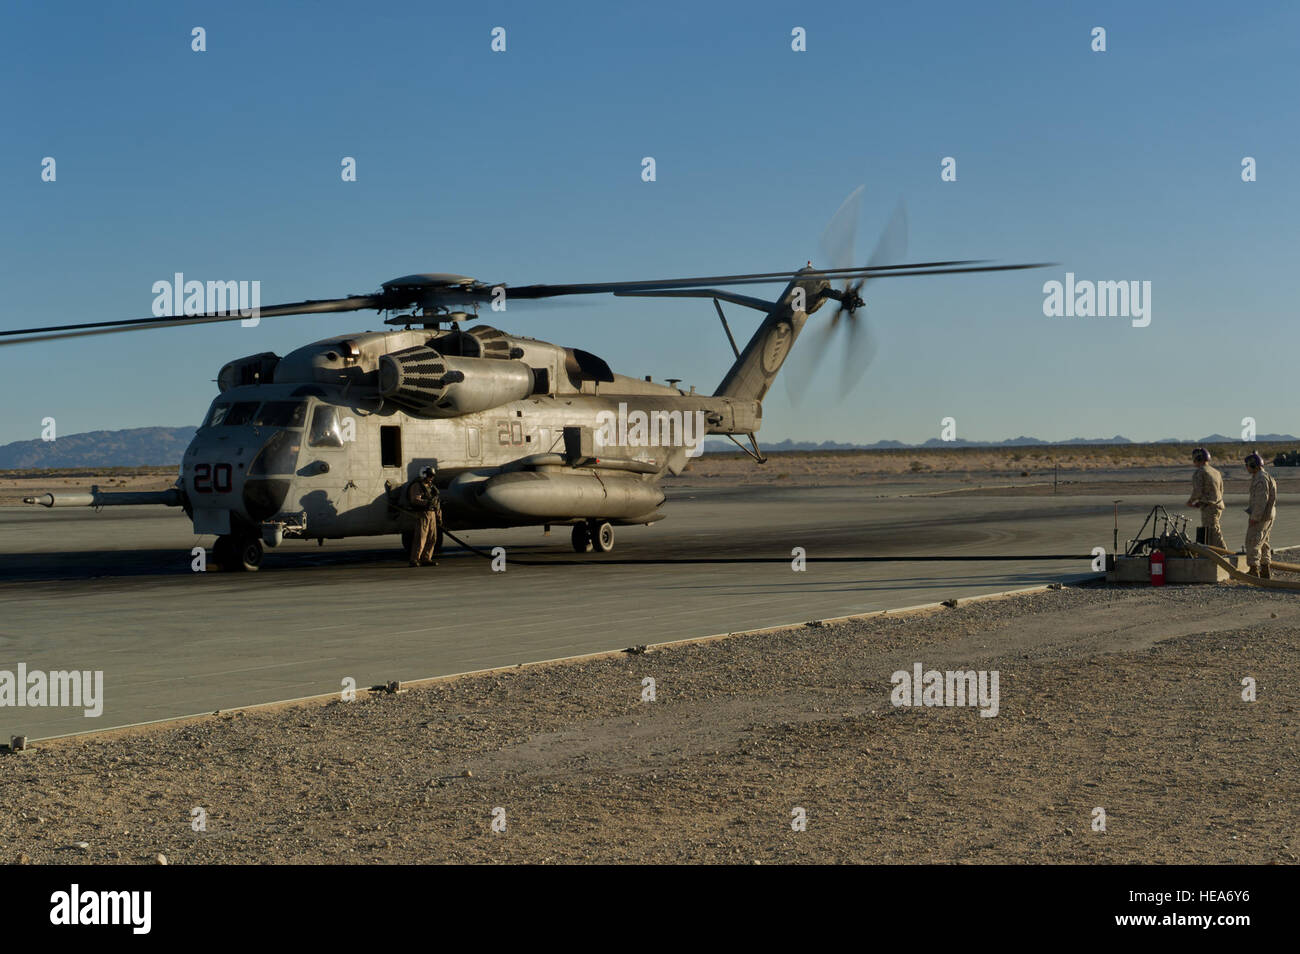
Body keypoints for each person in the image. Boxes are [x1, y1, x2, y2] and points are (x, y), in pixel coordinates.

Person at [1243, 452, 1277, 578]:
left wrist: (1255, 517)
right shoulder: (1265, 476)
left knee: (1253, 541)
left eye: (1247, 465)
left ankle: (1253, 570)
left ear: (1253, 464)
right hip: (1268, 514)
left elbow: (1261, 500)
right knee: (1264, 542)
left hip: (1261, 516)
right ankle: (1265, 569)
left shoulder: (1260, 478)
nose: (1246, 467)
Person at [1186, 447, 1226, 550]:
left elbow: (1198, 491)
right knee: (1210, 532)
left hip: (1209, 506)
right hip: (1217, 505)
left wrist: (1191, 501)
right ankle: (1214, 553)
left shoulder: (1200, 472)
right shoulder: (1216, 472)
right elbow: (1220, 490)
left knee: (1213, 530)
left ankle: (1224, 552)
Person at [405, 466, 440, 567]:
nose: (431, 478)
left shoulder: (431, 486)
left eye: (432, 476)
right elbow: (415, 499)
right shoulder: (417, 486)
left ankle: (426, 558)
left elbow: (436, 502)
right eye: (429, 476)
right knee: (421, 537)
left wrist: (438, 517)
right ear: (424, 475)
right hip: (423, 514)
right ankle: (415, 559)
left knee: (432, 538)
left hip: (432, 514)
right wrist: (426, 503)